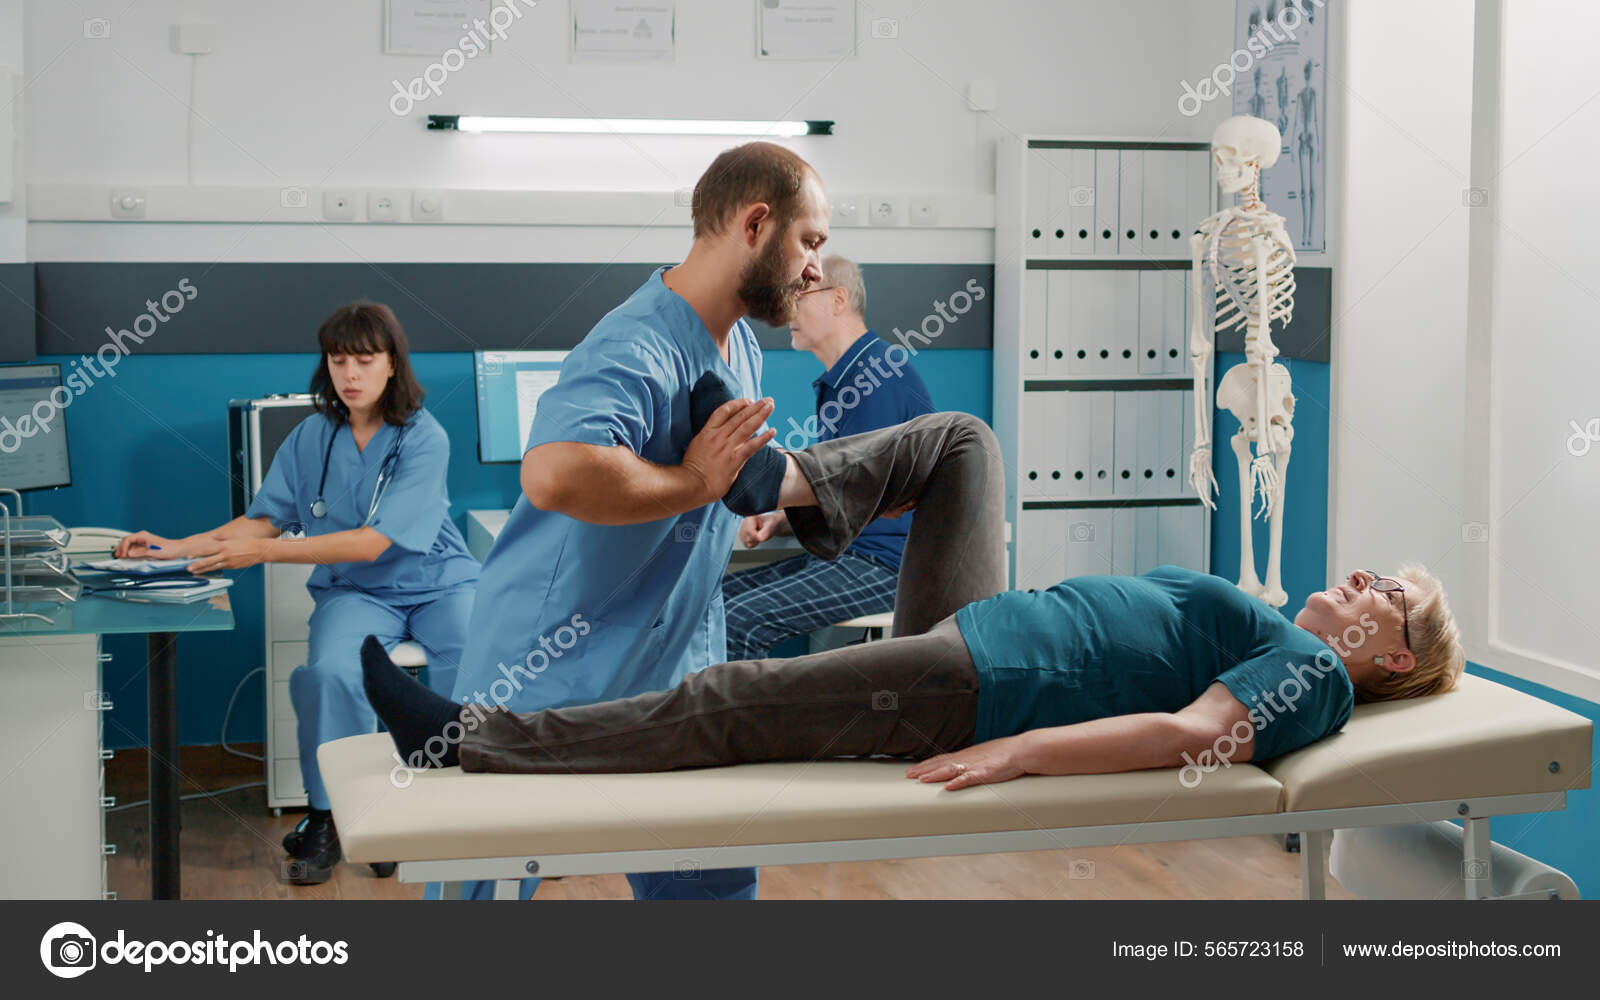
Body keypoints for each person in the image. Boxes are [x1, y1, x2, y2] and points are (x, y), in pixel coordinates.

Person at [361, 412, 1466, 791]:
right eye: (1378, 571)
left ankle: (467, 741)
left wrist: (1020, 754)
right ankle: (777, 482)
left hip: (986, 686)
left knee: (732, 695)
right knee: (963, 445)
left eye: (1390, 596)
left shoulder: (1312, 672)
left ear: (1395, 659)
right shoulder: (1295, 636)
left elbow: (1192, 736)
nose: (1364, 580)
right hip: (986, 631)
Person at [436, 140, 831, 901]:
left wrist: (748, 503)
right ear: (756, 223)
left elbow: (723, 478)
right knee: (484, 882)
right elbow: (553, 472)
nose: (817, 266)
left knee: (706, 880)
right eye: (809, 241)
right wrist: (692, 482)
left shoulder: (739, 342)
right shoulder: (638, 339)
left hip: (673, 661)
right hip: (551, 660)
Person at [116, 302, 480, 884]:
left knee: (475, 661)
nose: (350, 374)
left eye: (365, 360)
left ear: (393, 365)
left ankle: (453, 807)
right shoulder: (313, 437)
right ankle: (331, 816)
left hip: (438, 583)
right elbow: (263, 521)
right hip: (358, 594)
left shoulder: (423, 438)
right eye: (339, 361)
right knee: (330, 675)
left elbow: (372, 543)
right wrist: (175, 547)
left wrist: (262, 553)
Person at [723, 254, 934, 660]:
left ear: (839, 299)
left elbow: (859, 493)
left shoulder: (876, 376)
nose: (789, 313)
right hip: (853, 554)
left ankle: (744, 725)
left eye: (799, 298)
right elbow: (846, 492)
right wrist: (781, 521)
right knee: (716, 603)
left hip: (886, 565)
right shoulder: (847, 379)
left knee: (738, 621)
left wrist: (781, 499)